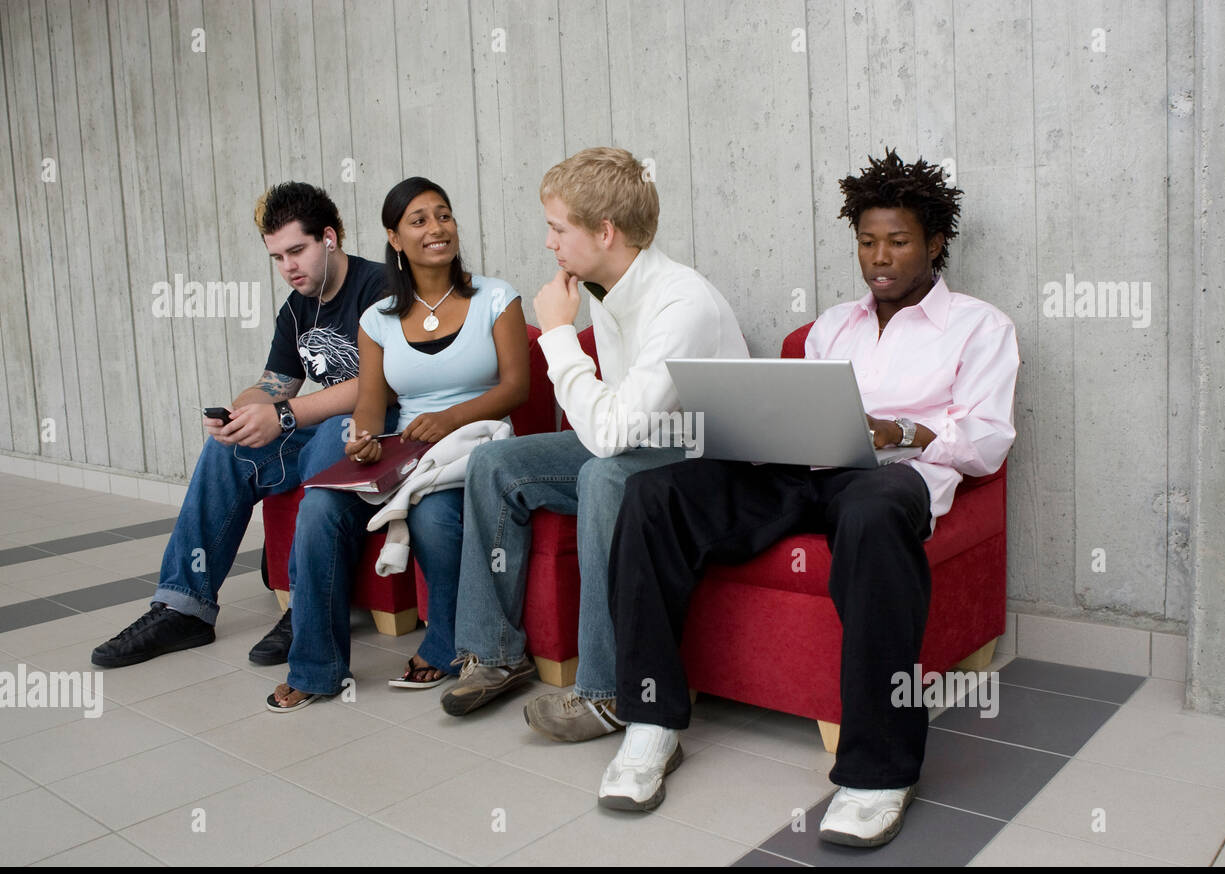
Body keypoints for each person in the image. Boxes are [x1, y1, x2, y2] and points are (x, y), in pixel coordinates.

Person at [598, 149, 1020, 848]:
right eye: (867, 241)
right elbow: (798, 407)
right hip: (801, 468)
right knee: (652, 495)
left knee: (873, 511)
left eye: (898, 240)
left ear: (936, 243)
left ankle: (878, 771)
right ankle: (651, 722)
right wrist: (755, 426)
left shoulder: (982, 327)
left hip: (892, 478)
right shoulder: (833, 326)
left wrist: (904, 430)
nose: (879, 257)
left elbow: (986, 441)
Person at [439, 146, 749, 740]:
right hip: (644, 438)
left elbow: (607, 438)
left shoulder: (679, 303)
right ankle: (496, 652)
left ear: (605, 231)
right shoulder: (606, 293)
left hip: (706, 457)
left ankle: (608, 694)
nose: (550, 244)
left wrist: (557, 332)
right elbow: (608, 423)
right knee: (495, 462)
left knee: (603, 475)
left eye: (558, 229)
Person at [91, 183, 386, 669]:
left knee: (325, 444)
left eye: (297, 250)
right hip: (319, 425)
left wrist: (284, 415)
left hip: (375, 431)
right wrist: (242, 413)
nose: (288, 267)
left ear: (329, 238)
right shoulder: (295, 309)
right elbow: (275, 384)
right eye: (277, 257)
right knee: (226, 450)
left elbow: (378, 384)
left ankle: (305, 608)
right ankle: (183, 607)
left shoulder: (378, 286)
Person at [267, 177, 529, 711]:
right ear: (394, 237)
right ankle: (316, 666)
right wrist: (364, 439)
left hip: (472, 448)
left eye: (444, 215)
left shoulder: (496, 298)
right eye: (419, 220)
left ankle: (446, 648)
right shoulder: (377, 318)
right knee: (318, 505)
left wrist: (450, 417)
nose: (437, 228)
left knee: (435, 518)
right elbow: (371, 398)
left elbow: (514, 388)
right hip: (404, 448)